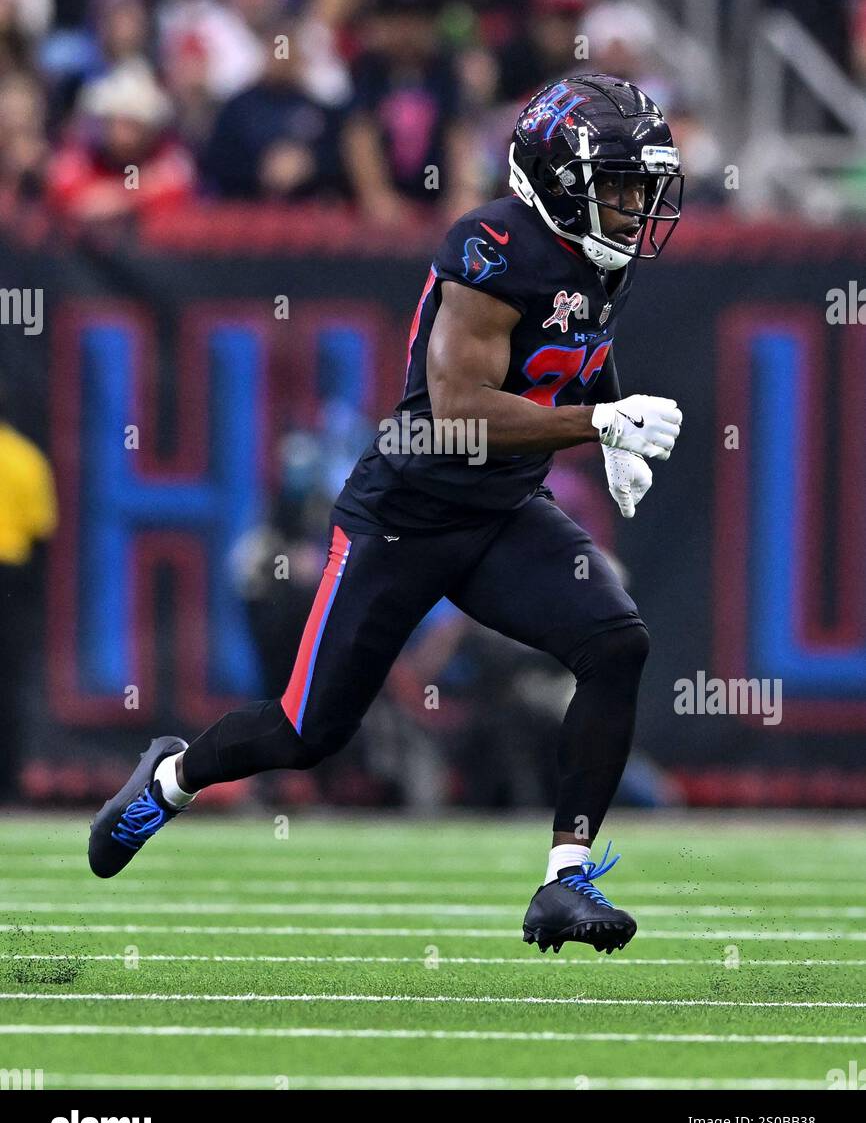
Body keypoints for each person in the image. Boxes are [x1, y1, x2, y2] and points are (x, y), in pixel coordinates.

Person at [88, 72, 685, 957]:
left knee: (615, 642)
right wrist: (595, 422)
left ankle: (564, 879)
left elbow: (576, 348)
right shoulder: (490, 246)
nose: (636, 208)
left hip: (502, 513)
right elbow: (460, 410)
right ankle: (168, 779)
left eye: (645, 186)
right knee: (306, 730)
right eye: (620, 186)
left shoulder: (602, 254)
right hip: (403, 515)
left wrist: (612, 431)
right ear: (558, 180)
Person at [0, 378, 58, 800]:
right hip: (11, 578)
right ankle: (7, 783)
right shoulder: (26, 458)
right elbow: (42, 534)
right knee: (10, 683)